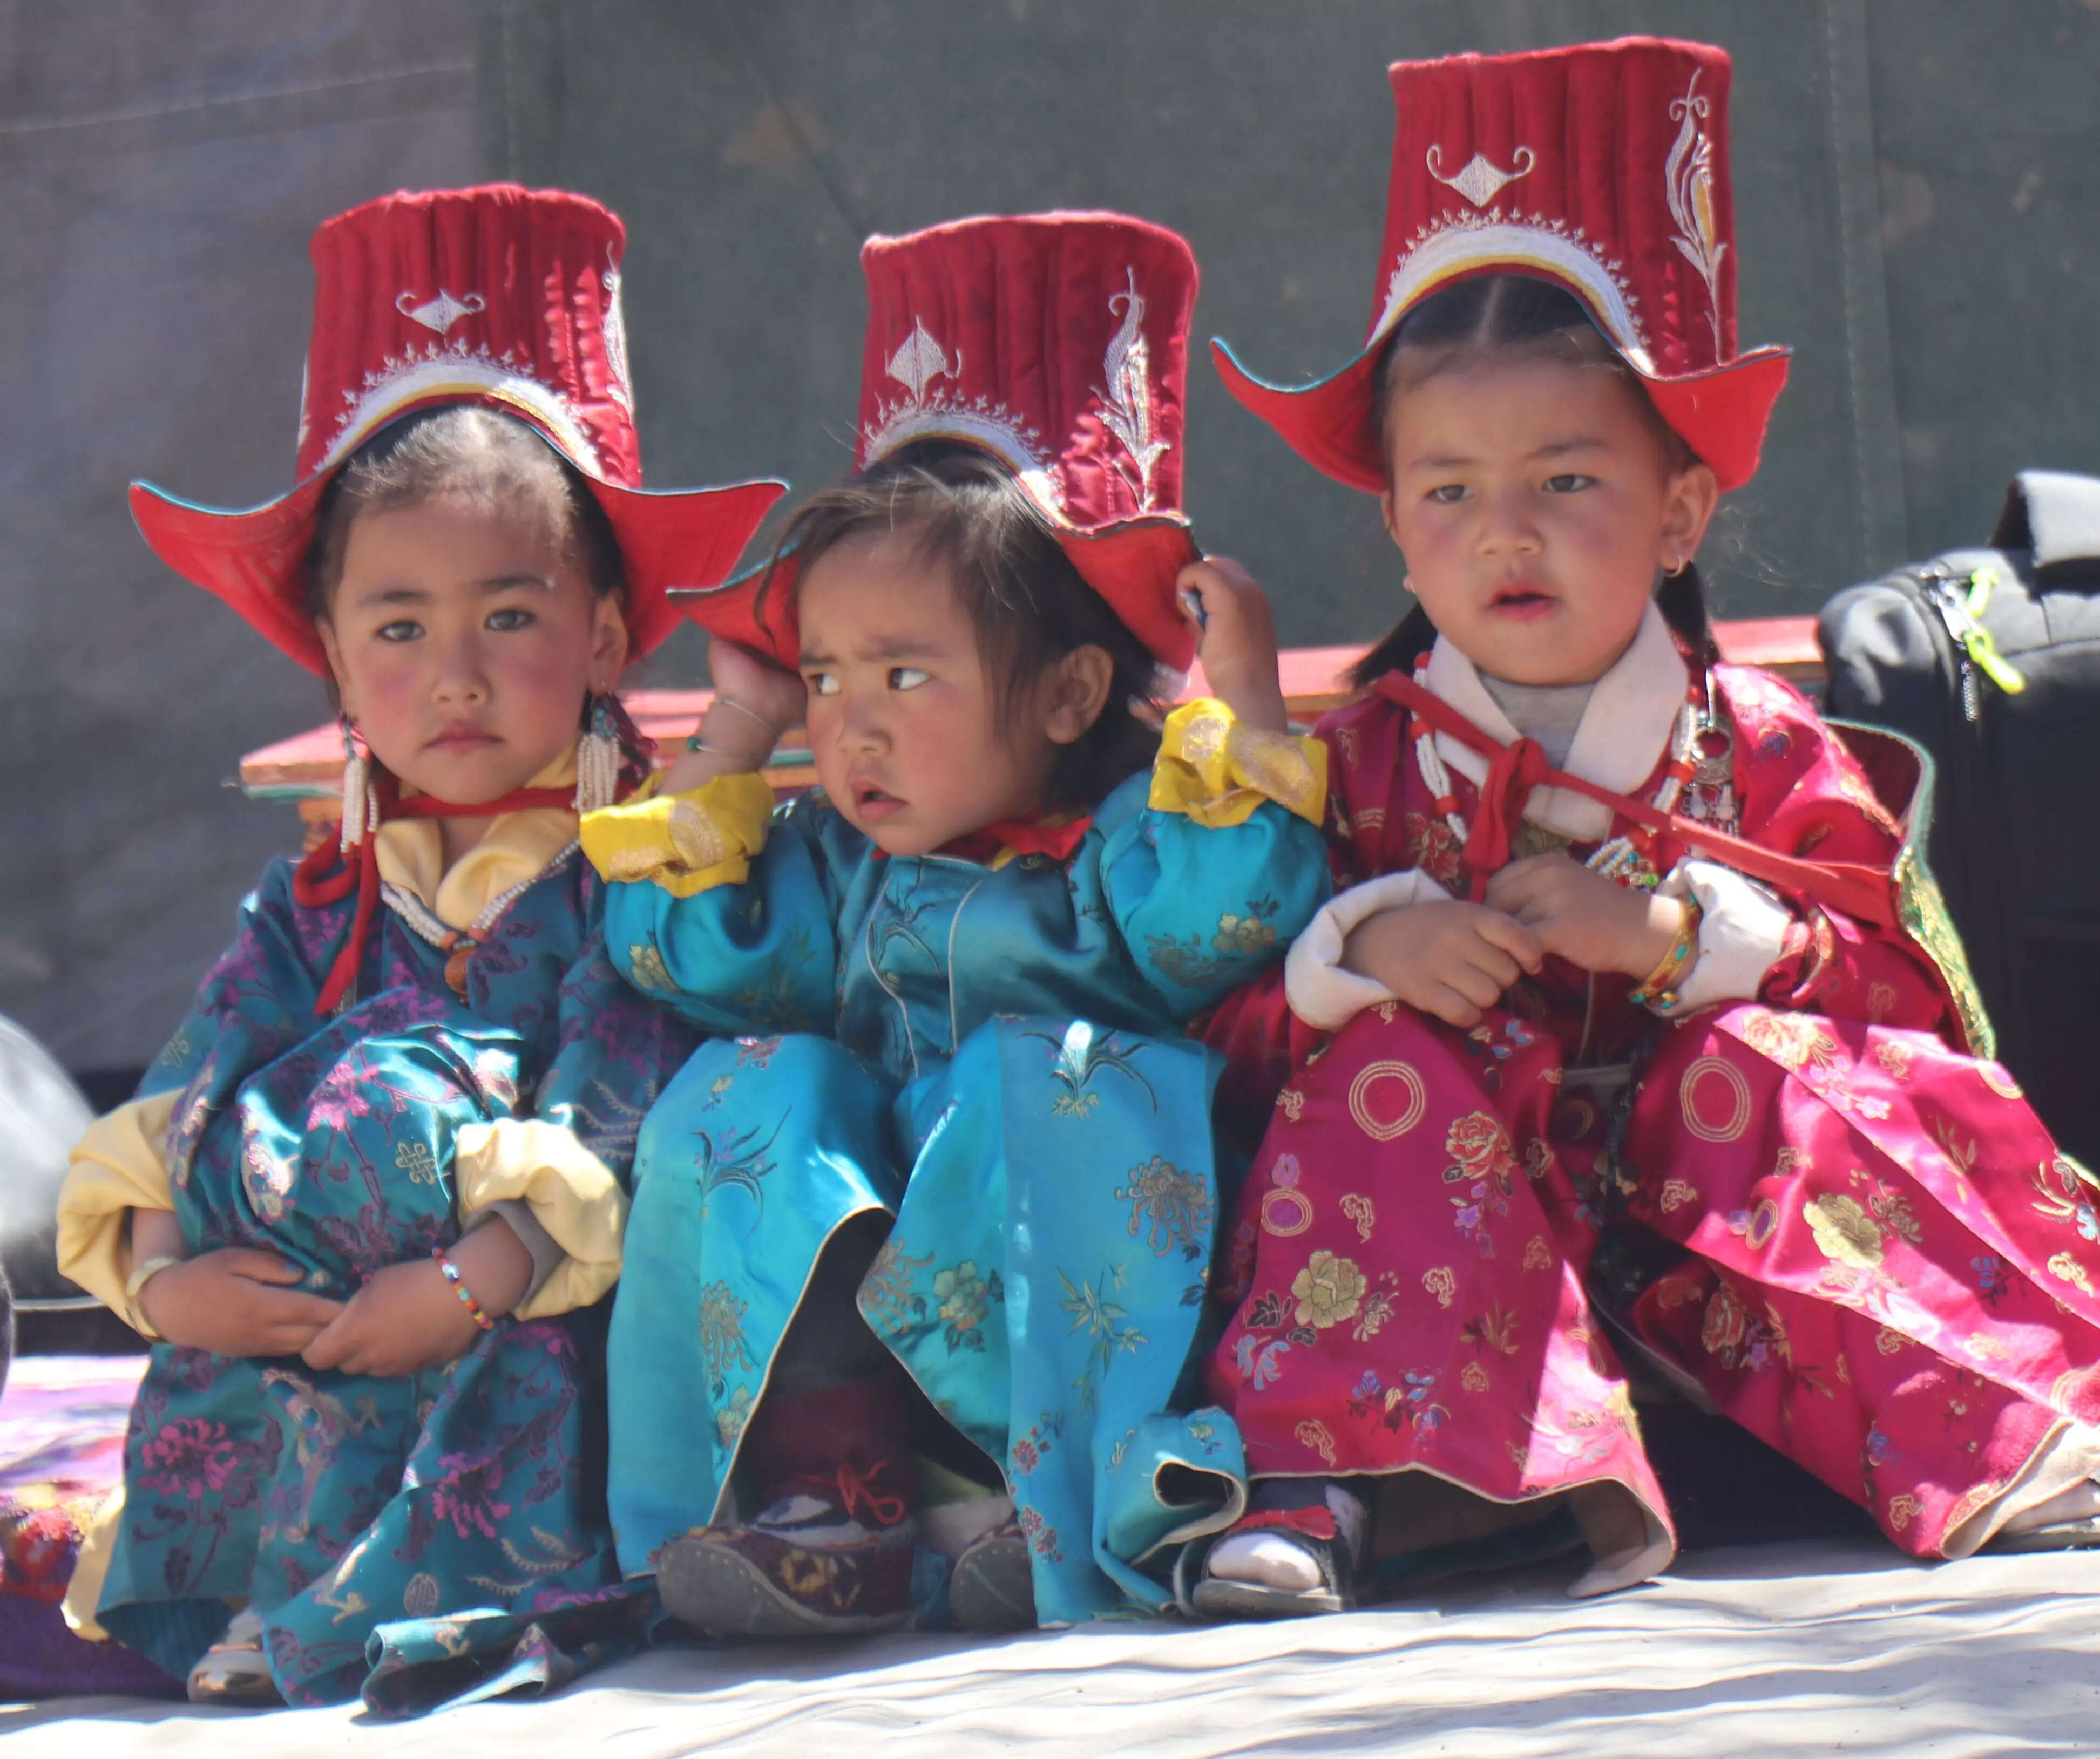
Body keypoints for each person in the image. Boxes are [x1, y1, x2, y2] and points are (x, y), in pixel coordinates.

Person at [1184, 38, 2100, 1617]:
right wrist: (1358, 947)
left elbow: (1912, 1002)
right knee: (1373, 1075)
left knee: (1762, 1070)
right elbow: (1222, 1021)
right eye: (1446, 489)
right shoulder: (1360, 766)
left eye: (1567, 477)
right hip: (1469, 1304)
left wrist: (1673, 938)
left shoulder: (1765, 743)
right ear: (1389, 522)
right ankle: (1350, 1480)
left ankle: (1978, 1428)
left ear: (1680, 508)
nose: (1501, 530)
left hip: (1747, 1290)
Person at [50, 186, 781, 1708]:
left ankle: (389, 1592)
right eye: (396, 628)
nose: (453, 676)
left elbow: (613, 1100)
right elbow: (188, 1087)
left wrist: (475, 1272)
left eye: (507, 615)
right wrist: (169, 1271)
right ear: (327, 653)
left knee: (405, 1125)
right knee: (262, 1134)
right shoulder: (311, 902)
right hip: (309, 1303)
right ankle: (259, 1573)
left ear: (603, 635)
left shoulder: (619, 878)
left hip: (511, 1306)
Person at [581, 213, 1334, 1639]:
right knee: (751, 1079)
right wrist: (736, 727)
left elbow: (1237, 901)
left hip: (1069, 1261)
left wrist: (1243, 697)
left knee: (1049, 1079)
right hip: (876, 1299)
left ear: (1064, 696)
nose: (847, 724)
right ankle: (823, 1487)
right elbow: (675, 951)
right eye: (821, 672)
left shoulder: (1118, 858)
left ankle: (1021, 1491)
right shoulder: (838, 865)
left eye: (906, 674)